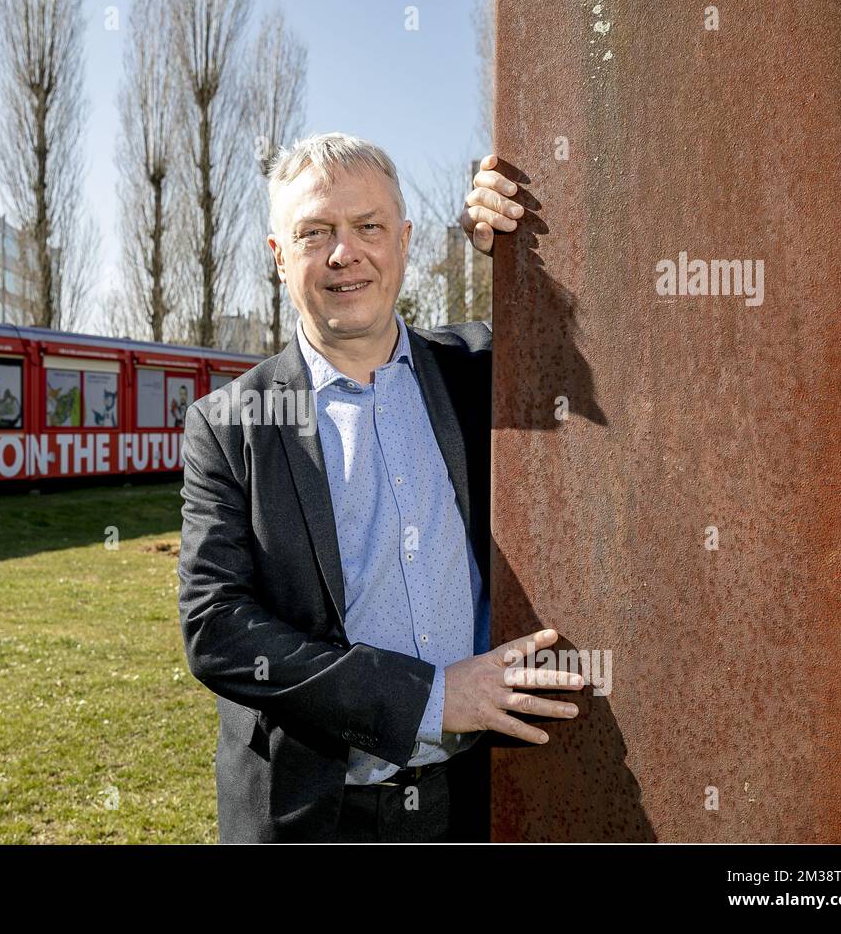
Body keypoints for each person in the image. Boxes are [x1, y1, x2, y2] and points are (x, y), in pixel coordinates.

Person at [177, 133, 585, 843]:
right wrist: (426, 699)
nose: (345, 253)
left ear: (403, 240)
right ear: (279, 257)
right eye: (315, 233)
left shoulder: (482, 373)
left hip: (471, 802)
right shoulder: (230, 424)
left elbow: (604, 335)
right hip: (310, 815)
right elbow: (217, 629)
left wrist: (522, 255)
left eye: (368, 227)